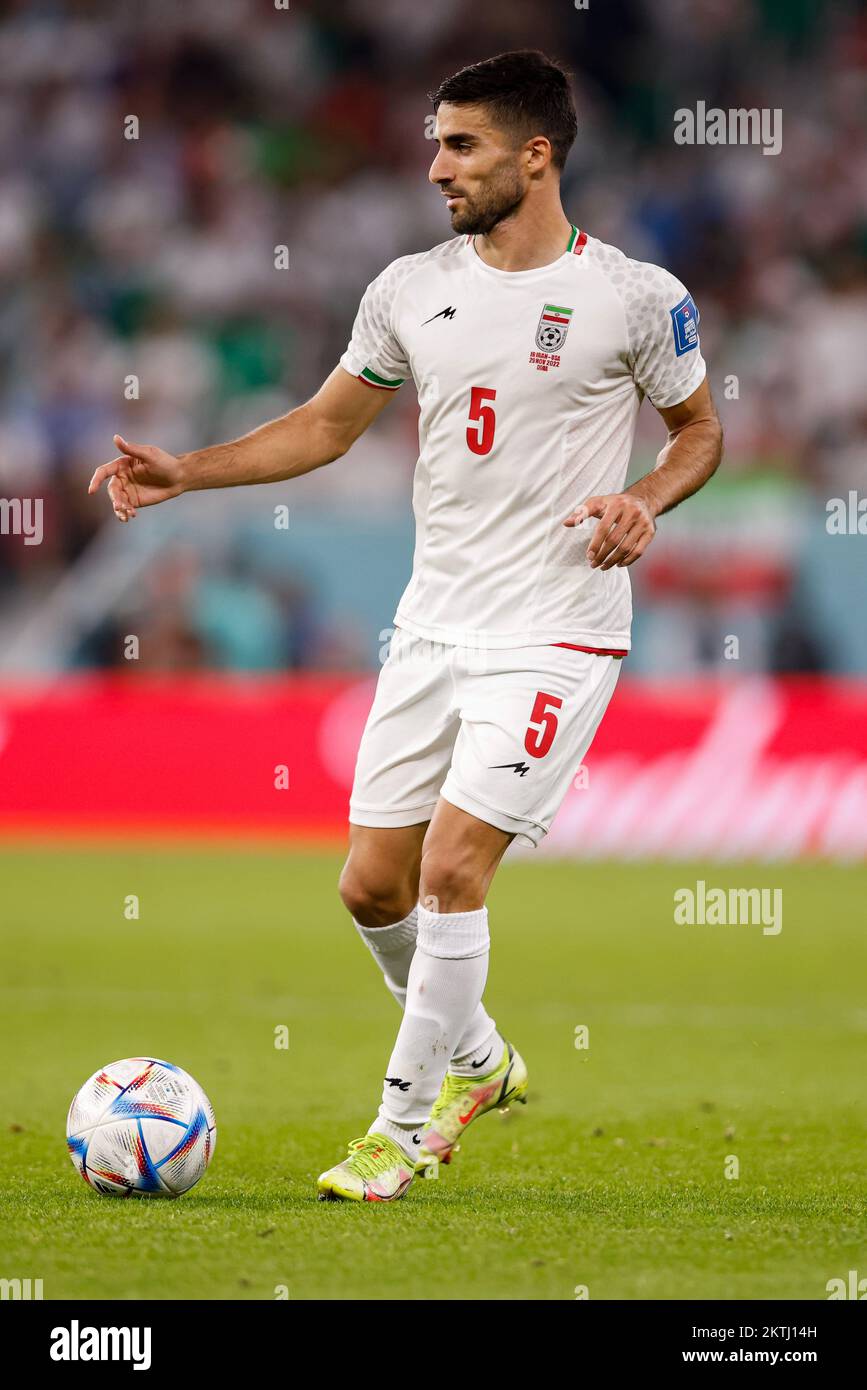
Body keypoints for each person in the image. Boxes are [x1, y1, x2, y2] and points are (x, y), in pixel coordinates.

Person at [89, 49, 723, 1202]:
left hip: (557, 629)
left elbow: (699, 433)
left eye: (462, 145)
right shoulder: (408, 287)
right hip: (432, 628)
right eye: (436, 142)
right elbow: (328, 427)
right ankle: (478, 1060)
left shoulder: (637, 296)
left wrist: (647, 499)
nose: (437, 166)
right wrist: (191, 469)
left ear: (536, 156)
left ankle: (401, 1130)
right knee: (369, 888)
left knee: (451, 866)